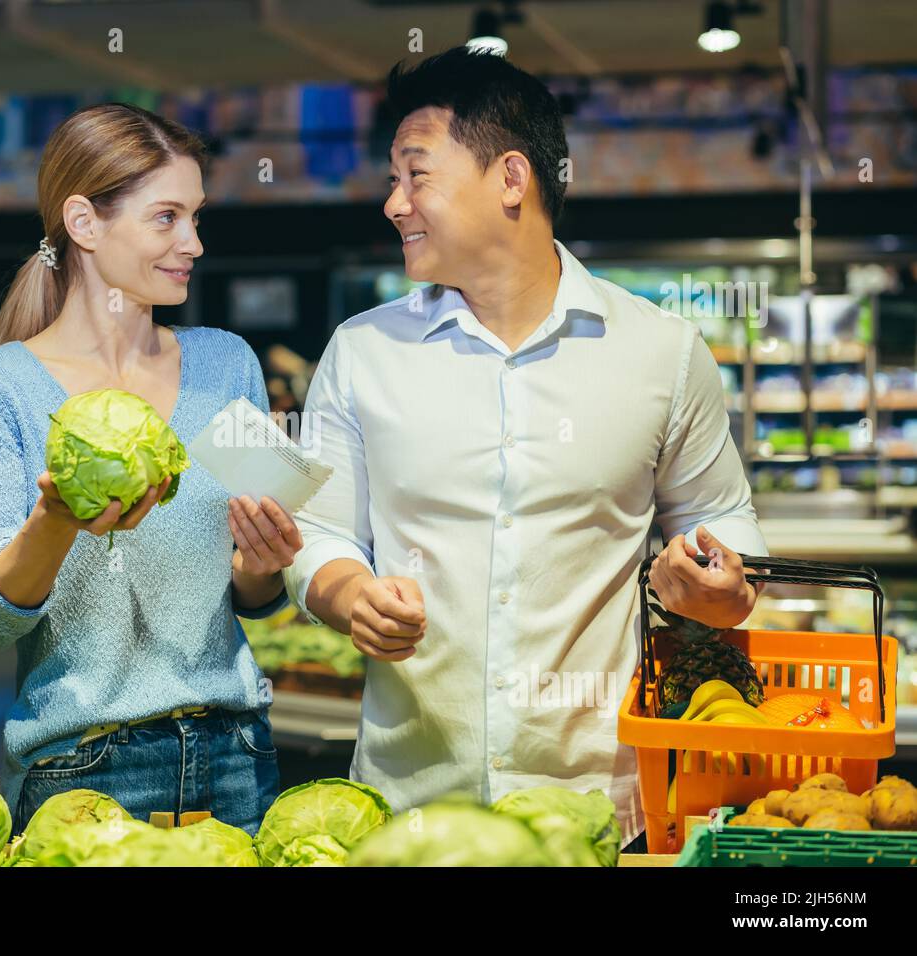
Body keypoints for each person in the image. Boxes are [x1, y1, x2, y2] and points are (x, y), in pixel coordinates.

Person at [282, 48, 767, 846]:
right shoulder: (363, 351)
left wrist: (720, 589)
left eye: (415, 176)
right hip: (410, 814)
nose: (392, 204)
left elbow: (722, 518)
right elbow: (326, 531)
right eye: (392, 181)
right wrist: (344, 591)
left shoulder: (660, 352)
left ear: (512, 178)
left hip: (601, 815)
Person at [0, 103, 303, 836]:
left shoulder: (225, 363)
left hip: (237, 756)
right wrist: (55, 520)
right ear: (84, 224)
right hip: (85, 775)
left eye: (196, 217)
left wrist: (266, 563)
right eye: (167, 218)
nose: (193, 243)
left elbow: (253, 592)